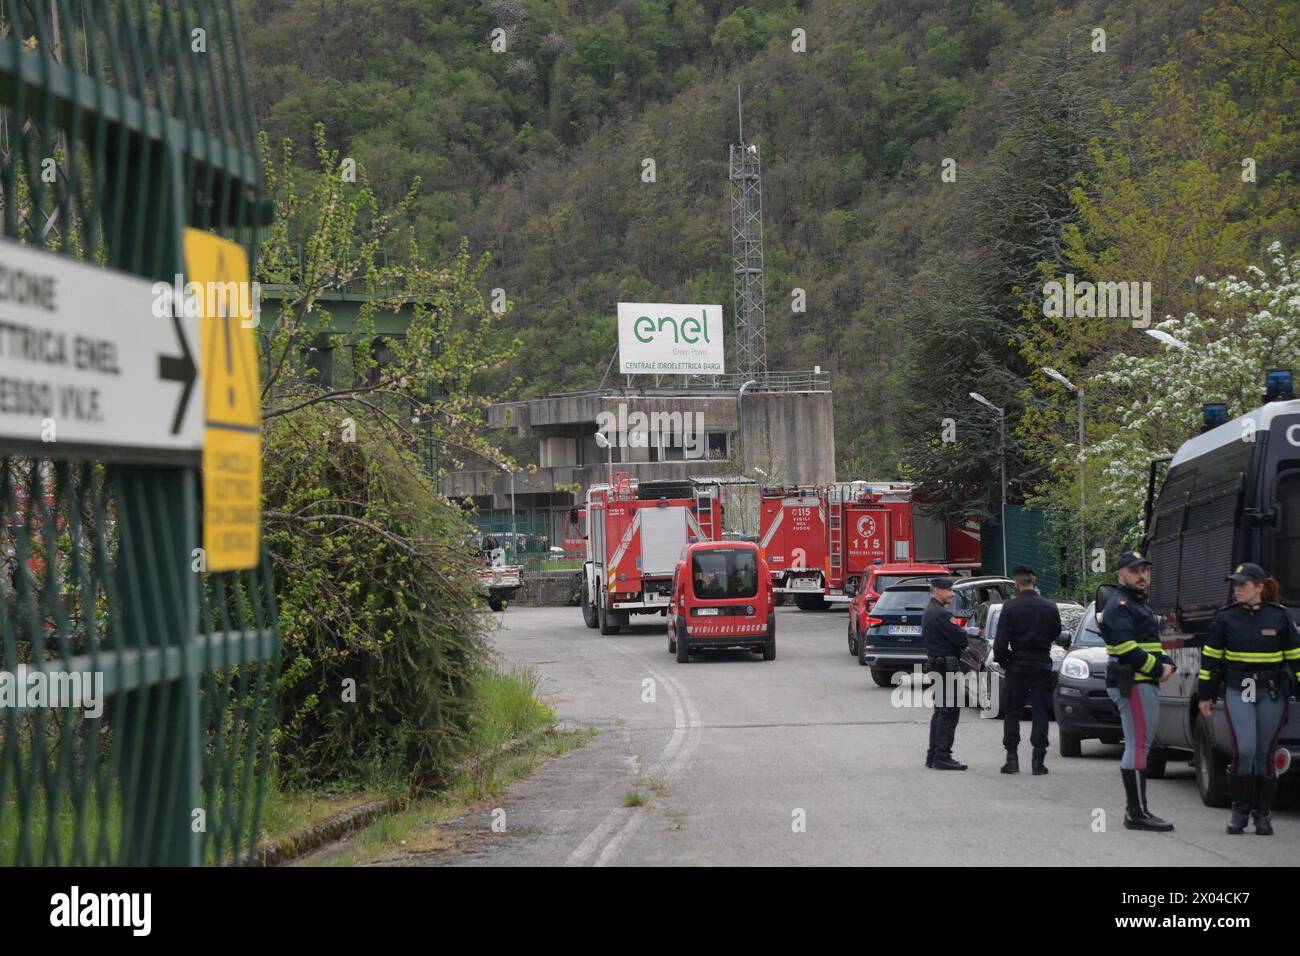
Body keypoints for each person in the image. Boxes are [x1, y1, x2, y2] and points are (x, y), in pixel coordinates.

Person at [1199, 563, 1300, 835]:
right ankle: (1239, 812)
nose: (1238, 589)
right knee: (1244, 749)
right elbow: (1210, 659)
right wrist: (1205, 694)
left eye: (1243, 584)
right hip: (1240, 686)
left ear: (1259, 586)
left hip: (1271, 690)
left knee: (1263, 753)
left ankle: (1262, 814)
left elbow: (1295, 659)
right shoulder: (1226, 617)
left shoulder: (1279, 616)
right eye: (1235, 584)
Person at [1100, 551, 1177, 832]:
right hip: (1134, 682)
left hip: (1140, 682)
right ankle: (1136, 812)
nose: (1142, 575)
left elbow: (1148, 645)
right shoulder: (1120, 605)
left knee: (1140, 745)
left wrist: (1167, 663)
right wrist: (1158, 670)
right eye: (1135, 571)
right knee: (1138, 746)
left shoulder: (1136, 604)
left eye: (1145, 570)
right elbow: (1125, 648)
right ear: (1121, 574)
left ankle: (1138, 810)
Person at [993, 566, 1060, 775]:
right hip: (1041, 664)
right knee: (1040, 712)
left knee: (1012, 712)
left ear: (1016, 583)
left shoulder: (1010, 607)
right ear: (1034, 580)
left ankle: (1011, 759)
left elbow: (1001, 641)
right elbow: (1056, 633)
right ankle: (1038, 761)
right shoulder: (1049, 607)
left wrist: (1005, 661)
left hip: (1017, 666)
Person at [923, 577, 969, 771]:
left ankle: (933, 755)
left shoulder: (930, 611)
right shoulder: (941, 614)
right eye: (949, 590)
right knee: (949, 712)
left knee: (940, 711)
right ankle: (942, 756)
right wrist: (963, 634)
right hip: (946, 667)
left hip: (938, 666)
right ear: (937, 591)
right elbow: (960, 638)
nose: (952, 594)